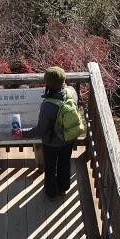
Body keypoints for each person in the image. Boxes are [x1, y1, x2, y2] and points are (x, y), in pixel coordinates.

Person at [15, 66, 82, 198]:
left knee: (50, 168)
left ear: (48, 84)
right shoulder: (72, 92)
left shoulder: (48, 105)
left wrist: (22, 133)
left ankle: (51, 193)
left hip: (51, 143)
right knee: (64, 163)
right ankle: (63, 188)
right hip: (68, 138)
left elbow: (40, 130)